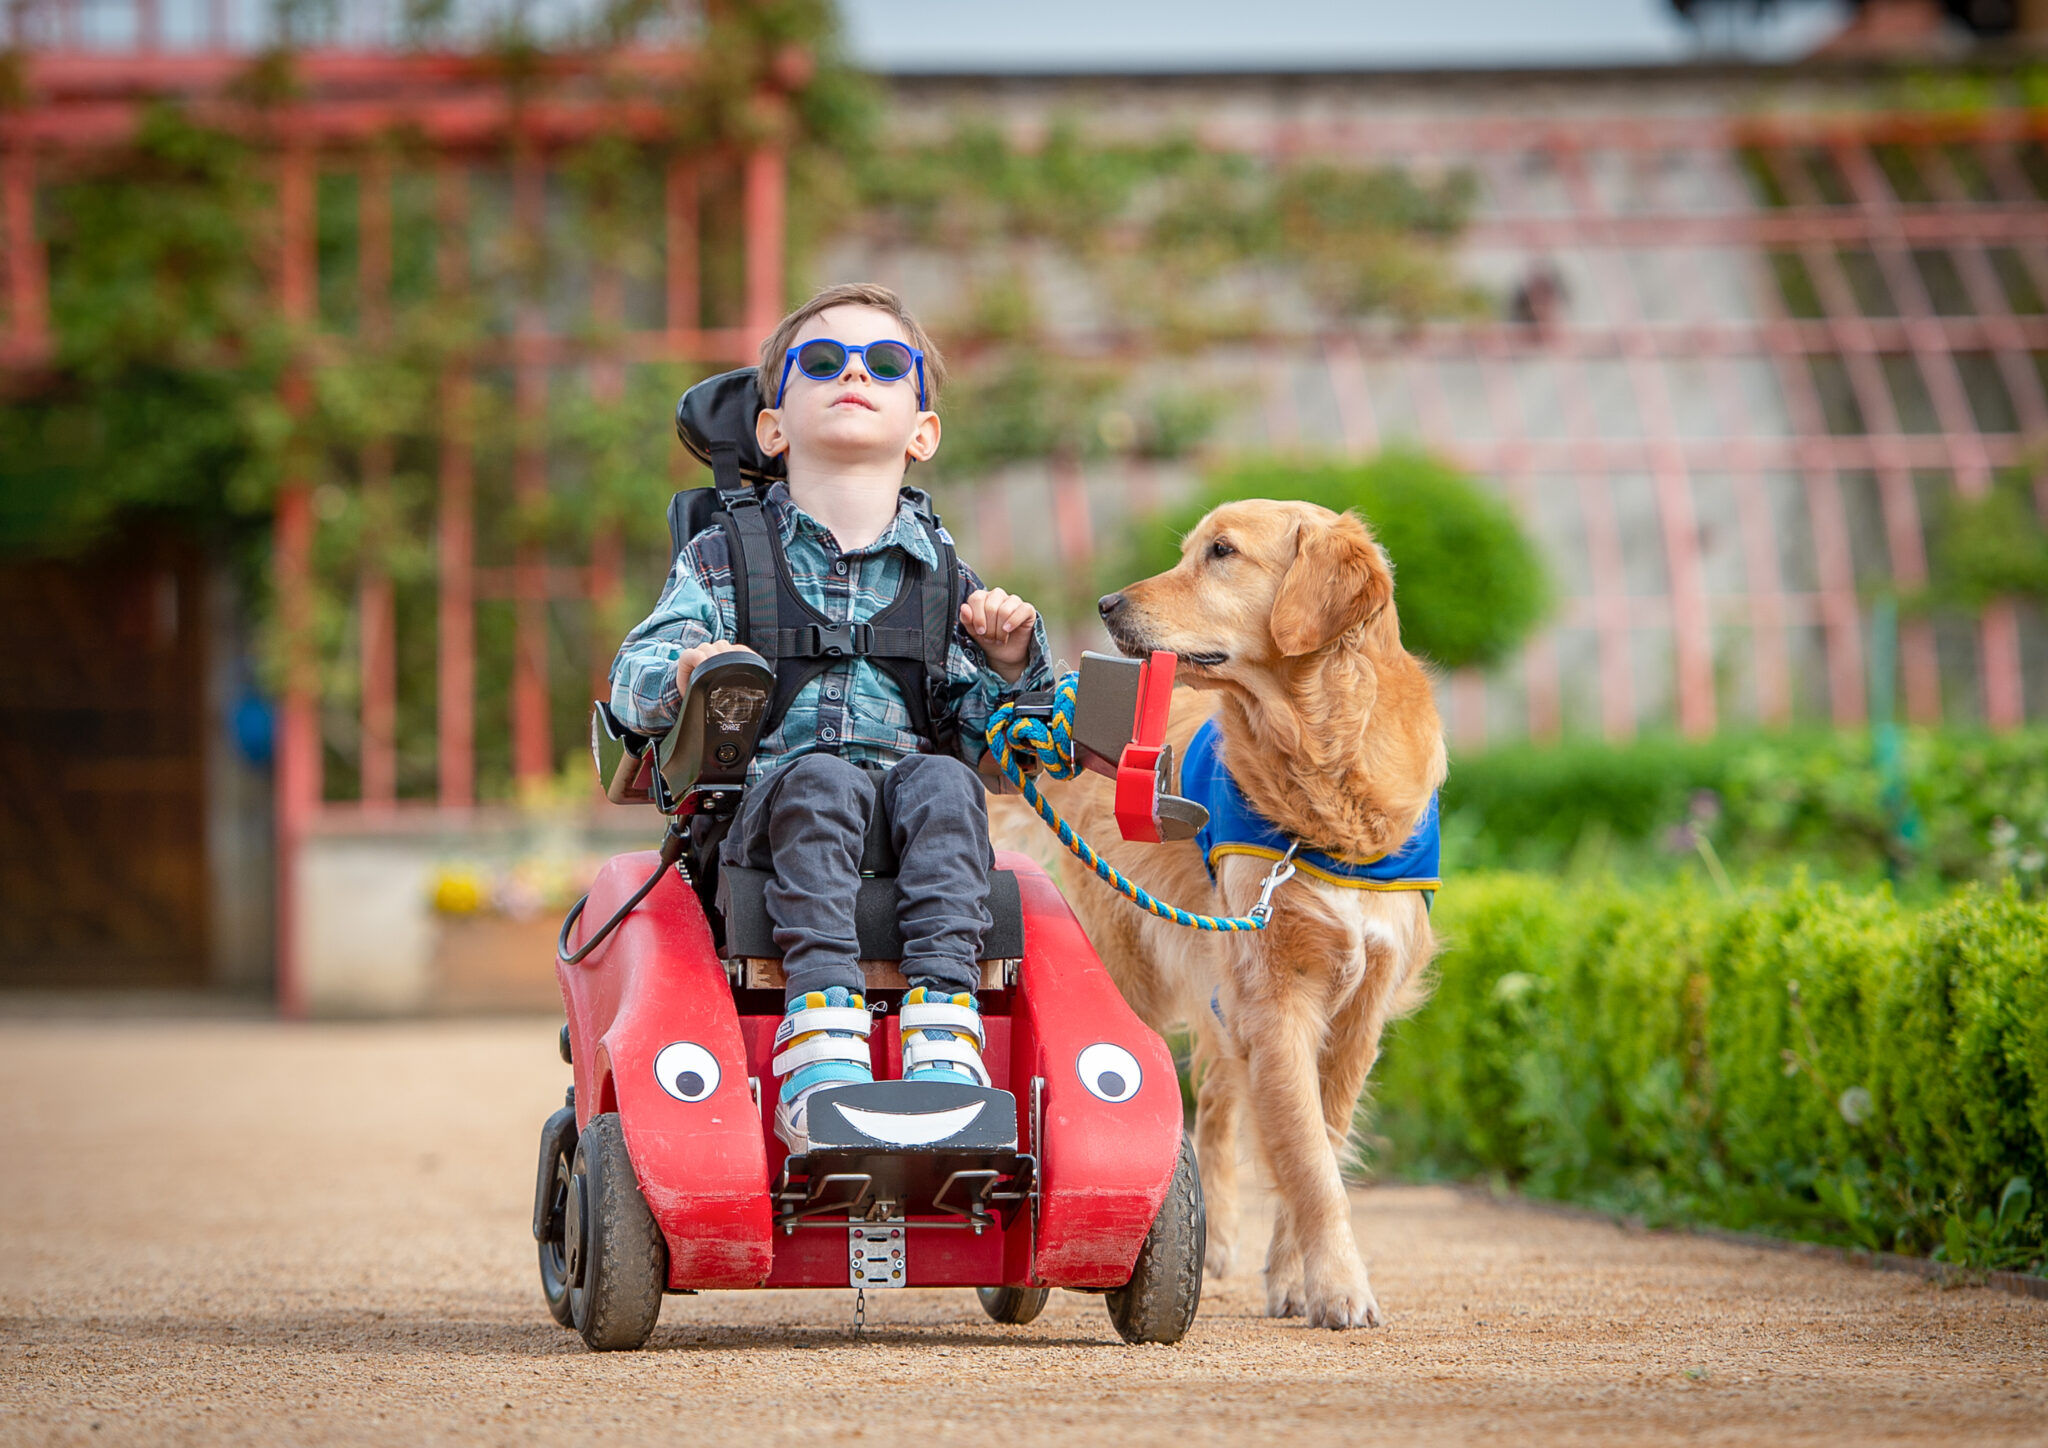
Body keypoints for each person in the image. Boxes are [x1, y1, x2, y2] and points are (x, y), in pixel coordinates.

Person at [609, 283, 1049, 1152]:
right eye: (822, 361)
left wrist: (1007, 666)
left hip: (911, 822)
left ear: (921, 429)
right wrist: (688, 668)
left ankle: (943, 1032)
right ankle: (822, 1043)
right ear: (773, 426)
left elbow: (989, 740)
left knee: (945, 780)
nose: (854, 371)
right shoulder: (724, 554)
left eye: (886, 363)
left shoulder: (945, 579)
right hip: (764, 819)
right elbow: (633, 676)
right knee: (820, 780)